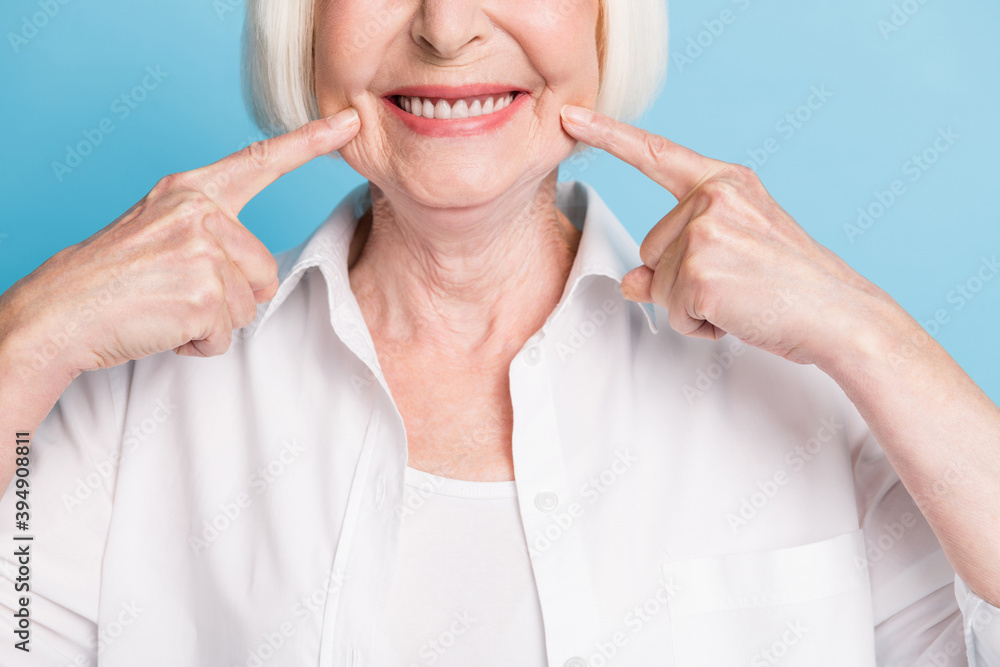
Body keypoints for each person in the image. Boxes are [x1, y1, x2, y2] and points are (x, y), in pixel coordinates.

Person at [1, 0, 998, 664]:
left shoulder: (810, 395)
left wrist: (867, 335)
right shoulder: (116, 417)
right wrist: (27, 336)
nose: (443, 29)